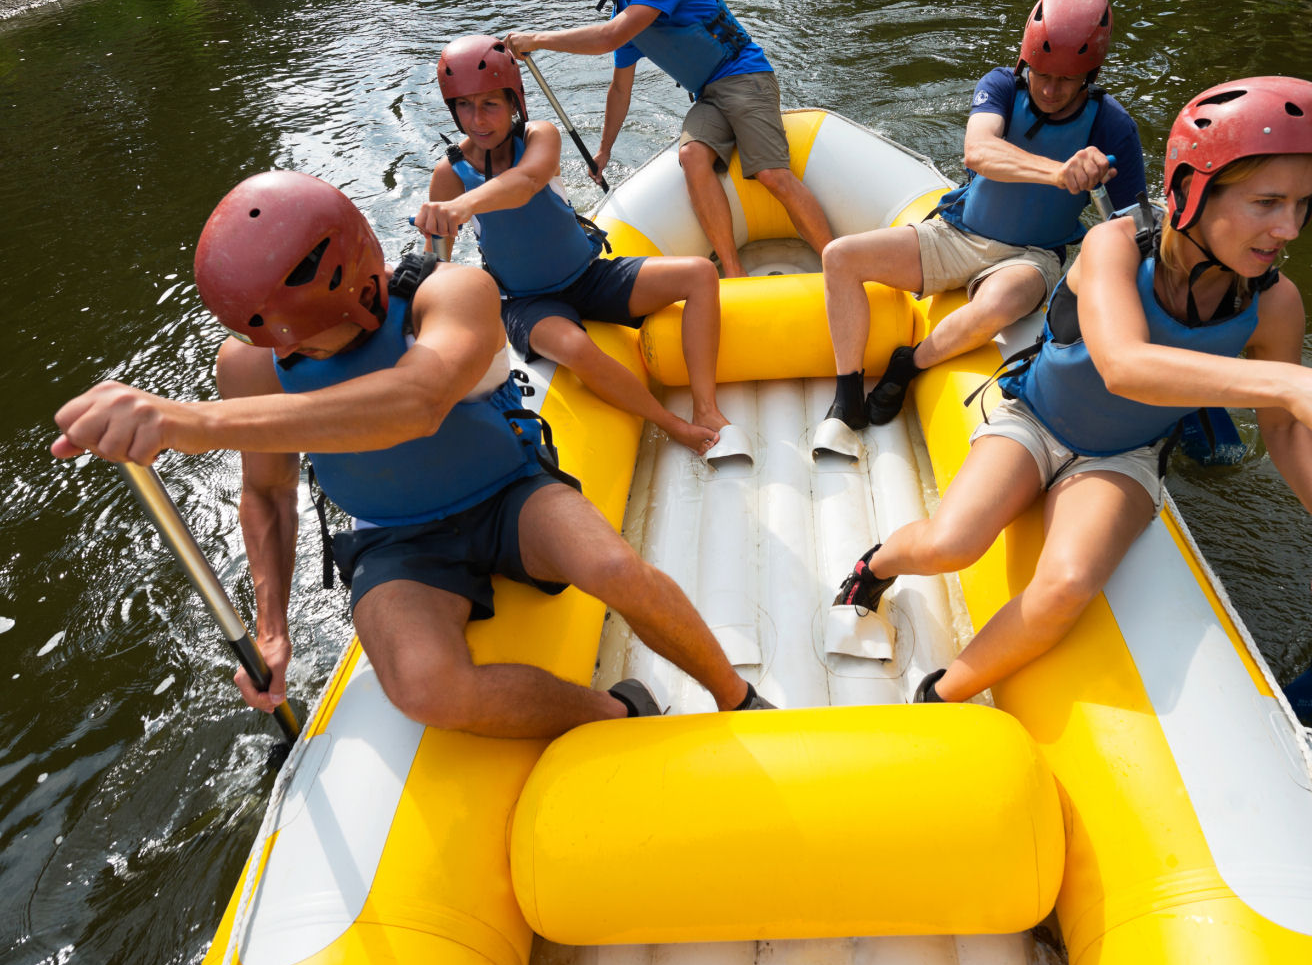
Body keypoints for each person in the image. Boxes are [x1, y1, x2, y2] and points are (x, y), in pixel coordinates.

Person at [50, 171, 771, 732]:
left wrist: (186, 424)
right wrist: (271, 631)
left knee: (615, 568)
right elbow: (268, 494)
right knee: (425, 689)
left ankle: (737, 699)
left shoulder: (452, 292)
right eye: (268, 336)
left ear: (356, 286)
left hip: (508, 495)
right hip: (395, 541)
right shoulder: (245, 365)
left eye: (297, 335)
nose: (285, 352)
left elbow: (417, 403)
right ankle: (617, 713)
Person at [826, 77, 1312, 704]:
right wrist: (1295, 382)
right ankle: (874, 566)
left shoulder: (1275, 304)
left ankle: (939, 695)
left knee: (1067, 586)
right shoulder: (1113, 245)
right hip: (1037, 422)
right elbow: (1124, 365)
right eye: (1268, 202)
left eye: (1303, 204)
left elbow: (1284, 427)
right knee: (953, 544)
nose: (1290, 228)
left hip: (1126, 458)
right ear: (1192, 191)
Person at [818, 0, 1147, 437]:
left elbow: (1133, 227)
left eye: (1066, 79)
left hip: (1032, 255)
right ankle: (847, 394)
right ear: (1025, 61)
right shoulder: (1000, 86)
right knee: (839, 256)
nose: (1050, 89)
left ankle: (906, 366)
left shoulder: (1113, 126)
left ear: (1089, 75)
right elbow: (978, 150)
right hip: (958, 233)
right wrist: (1059, 172)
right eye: (1041, 73)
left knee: (999, 303)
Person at [419, 34, 733, 456]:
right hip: (525, 302)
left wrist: (461, 206)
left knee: (699, 273)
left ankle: (706, 407)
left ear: (514, 103)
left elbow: (527, 183)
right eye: (464, 105)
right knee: (572, 347)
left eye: (490, 104)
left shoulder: (539, 136)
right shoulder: (449, 174)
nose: (477, 119)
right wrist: (437, 241)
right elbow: (435, 266)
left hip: (589, 275)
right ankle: (672, 425)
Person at [504, 0, 832, 279]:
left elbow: (608, 37)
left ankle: (835, 258)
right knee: (692, 155)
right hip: (709, 94)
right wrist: (605, 150)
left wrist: (538, 39)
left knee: (771, 173)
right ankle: (733, 271)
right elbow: (620, 89)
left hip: (745, 77)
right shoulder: (621, 10)